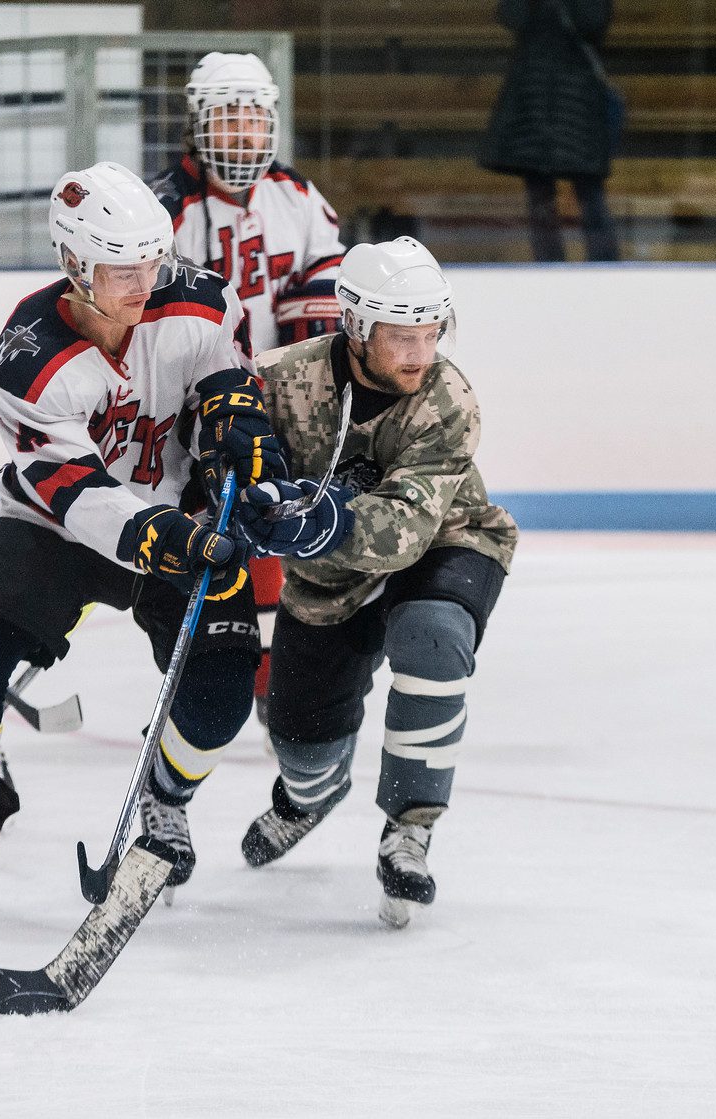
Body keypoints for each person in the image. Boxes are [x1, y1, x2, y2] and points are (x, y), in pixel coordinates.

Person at [0, 161, 278, 913]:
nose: (145, 280)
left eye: (153, 259)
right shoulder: (26, 360)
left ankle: (167, 798)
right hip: (54, 527)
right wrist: (164, 538)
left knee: (222, 691)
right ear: (72, 262)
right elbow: (78, 495)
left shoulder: (201, 302)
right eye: (122, 266)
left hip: (182, 516)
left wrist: (236, 425)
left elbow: (229, 383)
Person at [231, 237, 518, 928]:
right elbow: (218, 447)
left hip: (447, 543)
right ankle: (309, 794)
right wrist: (235, 484)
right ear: (355, 325)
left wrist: (317, 520)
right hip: (327, 578)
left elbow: (407, 530)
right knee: (301, 743)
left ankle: (409, 828)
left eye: (431, 331)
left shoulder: (448, 399)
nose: (421, 352)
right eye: (401, 335)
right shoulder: (279, 380)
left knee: (433, 634)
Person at [150, 51, 348, 724]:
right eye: (227, 120)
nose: (242, 136)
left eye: (254, 120)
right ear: (198, 127)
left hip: (276, 396)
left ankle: (265, 680)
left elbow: (331, 267)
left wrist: (315, 309)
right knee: (171, 530)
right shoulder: (165, 209)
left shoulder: (295, 195)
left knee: (268, 519)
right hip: (186, 401)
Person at [479, 0, 621, 262]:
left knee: (590, 194)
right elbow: (510, 16)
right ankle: (548, 269)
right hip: (534, 99)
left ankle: (606, 267)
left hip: (577, 102)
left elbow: (593, 22)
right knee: (540, 200)